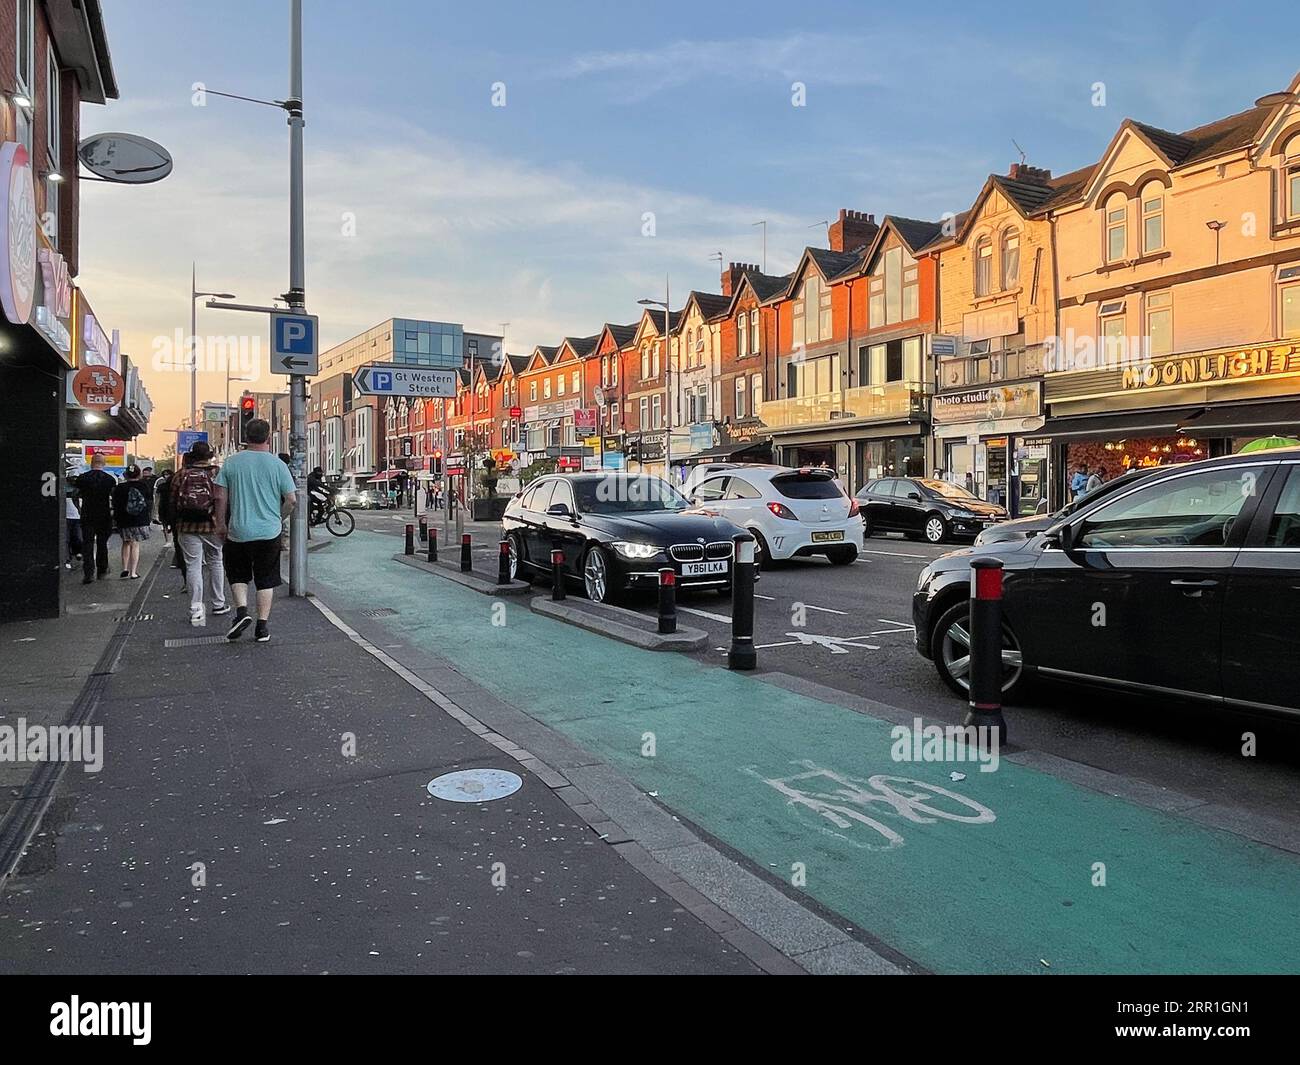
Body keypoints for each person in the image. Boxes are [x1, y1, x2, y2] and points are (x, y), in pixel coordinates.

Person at [214, 418, 296, 643]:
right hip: (269, 531)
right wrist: (279, 518)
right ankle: (262, 627)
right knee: (266, 578)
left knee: (237, 573)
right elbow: (291, 500)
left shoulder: (231, 463)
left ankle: (241, 611)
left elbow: (220, 497)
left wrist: (220, 524)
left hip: (238, 530)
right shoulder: (278, 465)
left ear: (246, 437)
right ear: (268, 437)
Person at [171, 441, 229, 626]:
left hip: (187, 526)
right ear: (210, 456)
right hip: (212, 525)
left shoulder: (181, 475)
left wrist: (172, 524)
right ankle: (219, 603)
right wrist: (223, 523)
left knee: (193, 566)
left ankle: (196, 610)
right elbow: (223, 498)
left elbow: (172, 501)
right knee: (216, 561)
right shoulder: (216, 473)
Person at [74, 454, 116, 584]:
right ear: (104, 463)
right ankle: (102, 570)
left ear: (91, 463)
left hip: (87, 515)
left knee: (88, 544)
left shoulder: (82, 479)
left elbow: (76, 495)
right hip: (104, 515)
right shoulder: (110, 480)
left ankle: (88, 573)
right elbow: (113, 499)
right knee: (102, 544)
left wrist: (80, 509)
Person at [112, 465, 152, 579]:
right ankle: (133, 572)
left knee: (126, 542)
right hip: (140, 520)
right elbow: (148, 502)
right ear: (139, 474)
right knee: (135, 544)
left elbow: (116, 504)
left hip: (124, 520)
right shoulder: (144, 486)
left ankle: (124, 568)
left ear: (126, 475)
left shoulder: (120, 487)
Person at [65, 488, 82, 570]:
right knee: (67, 539)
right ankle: (68, 558)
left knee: (78, 538)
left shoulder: (79, 492)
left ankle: (77, 551)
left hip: (77, 518)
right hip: (68, 518)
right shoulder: (66, 491)